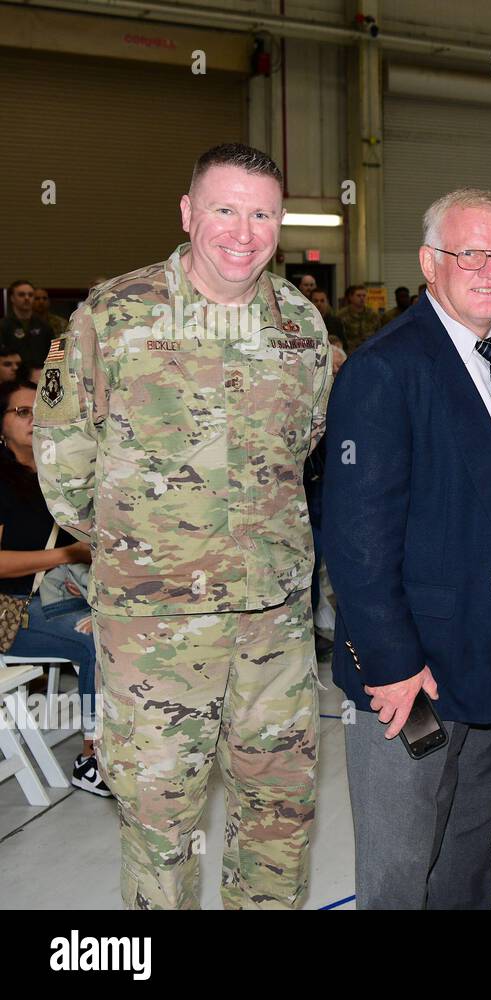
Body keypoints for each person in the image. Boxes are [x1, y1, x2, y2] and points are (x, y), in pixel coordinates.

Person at [34, 142, 332, 909]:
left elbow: (304, 444)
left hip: (272, 626)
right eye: (225, 209)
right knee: (161, 826)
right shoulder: (115, 312)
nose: (244, 230)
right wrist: (145, 547)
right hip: (154, 628)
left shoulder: (299, 325)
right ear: (188, 213)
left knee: (279, 816)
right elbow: (64, 460)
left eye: (263, 213)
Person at [323, 187, 491, 910]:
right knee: (398, 876)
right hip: (411, 678)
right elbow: (355, 541)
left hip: (489, 656)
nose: (488, 268)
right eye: (467, 253)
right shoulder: (385, 368)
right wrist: (391, 665)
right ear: (429, 263)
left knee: (466, 865)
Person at [0, 379, 105, 795]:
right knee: (98, 641)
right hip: (12, 609)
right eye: (21, 412)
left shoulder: (58, 472)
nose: (32, 419)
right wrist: (68, 556)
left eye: (37, 411)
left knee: (130, 627)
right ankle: (93, 758)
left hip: (57, 595)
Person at [1, 280, 54, 372]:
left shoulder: (44, 326)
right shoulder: (3, 325)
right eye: (21, 295)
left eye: (30, 295)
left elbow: (52, 354)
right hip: (13, 376)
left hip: (40, 376)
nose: (27, 298)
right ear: (12, 298)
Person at [338, 283, 381, 348]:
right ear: (351, 297)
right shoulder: (342, 315)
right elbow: (340, 337)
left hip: (370, 349)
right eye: (358, 296)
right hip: (350, 351)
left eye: (364, 296)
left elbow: (379, 333)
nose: (362, 298)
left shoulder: (373, 314)